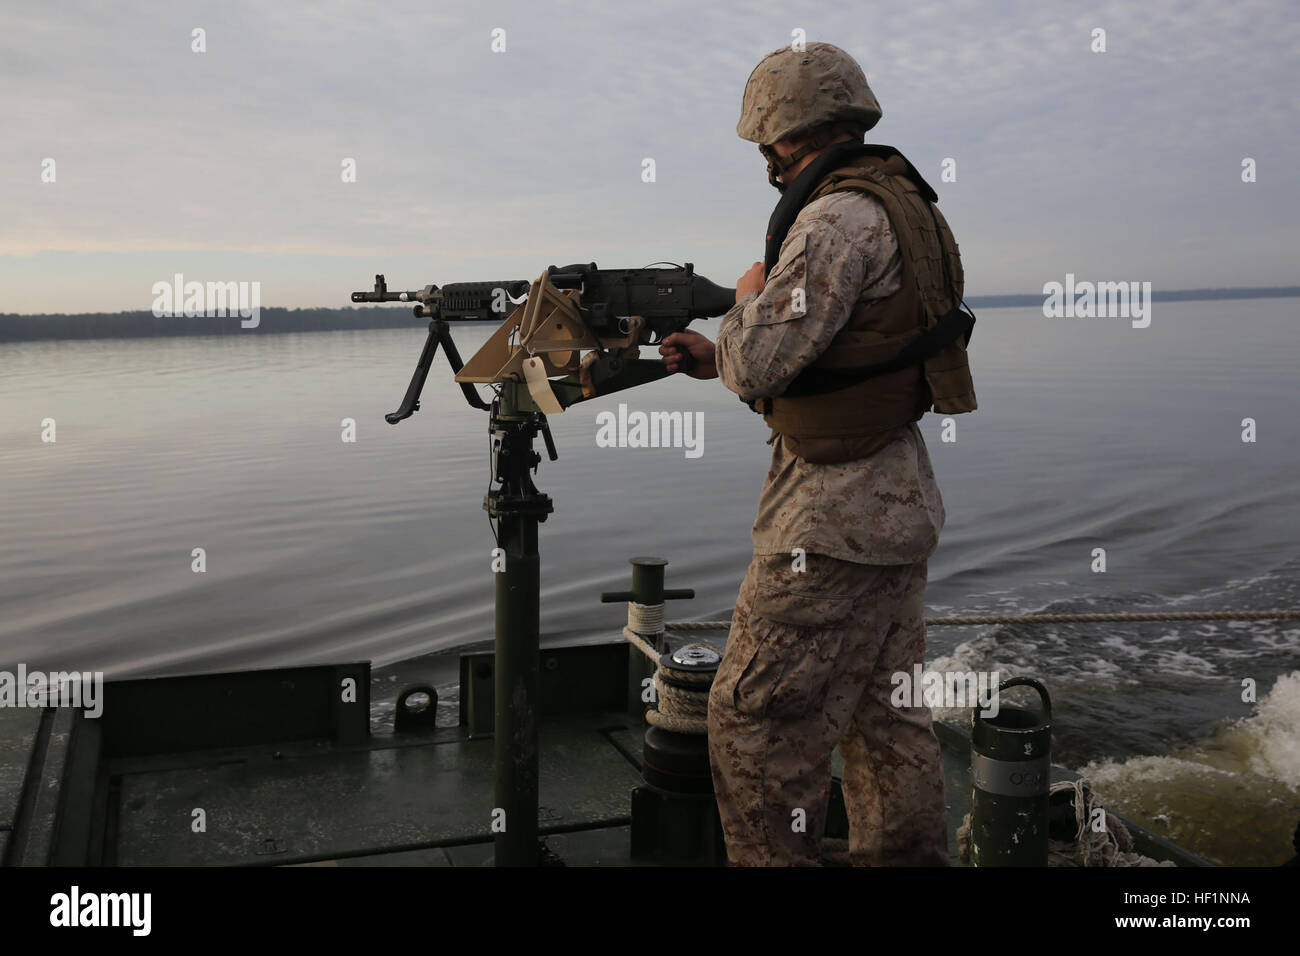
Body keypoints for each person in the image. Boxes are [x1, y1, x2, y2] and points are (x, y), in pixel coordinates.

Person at [661, 41, 976, 866]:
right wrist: (716, 358)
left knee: (754, 724)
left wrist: (739, 309)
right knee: (886, 723)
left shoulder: (833, 218)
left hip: (828, 526)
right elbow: (849, 350)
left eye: (766, 146)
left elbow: (762, 356)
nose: (765, 163)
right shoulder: (905, 203)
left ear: (781, 135)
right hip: (896, 501)